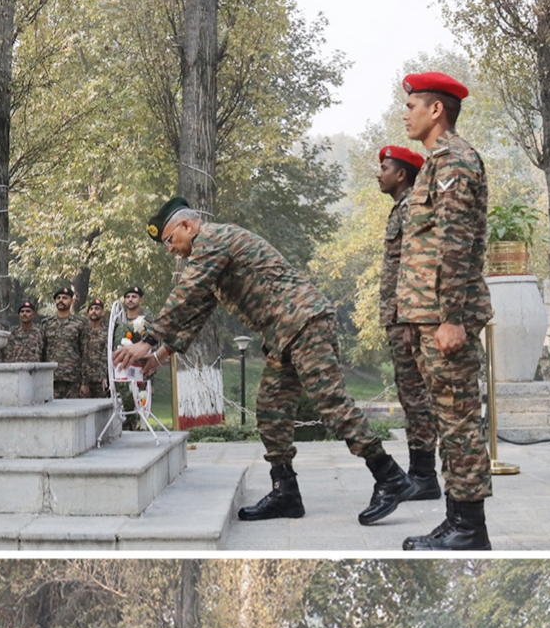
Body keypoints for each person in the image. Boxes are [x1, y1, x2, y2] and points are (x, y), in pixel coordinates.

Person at [115, 197, 420, 526]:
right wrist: (159, 357)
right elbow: (195, 312)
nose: (171, 250)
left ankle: (389, 477)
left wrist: (147, 341)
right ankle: (285, 491)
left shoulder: (213, 240)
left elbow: (186, 294)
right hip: (283, 333)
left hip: (304, 321)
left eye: (169, 240)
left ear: (187, 226)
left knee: (331, 403)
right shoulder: (208, 256)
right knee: (271, 410)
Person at [396, 71, 494, 550]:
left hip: (445, 317)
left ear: (437, 109)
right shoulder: (436, 162)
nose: (405, 113)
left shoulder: (455, 160)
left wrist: (452, 316)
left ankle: (469, 528)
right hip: (428, 317)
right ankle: (456, 519)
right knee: (448, 421)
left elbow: (455, 244)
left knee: (459, 423)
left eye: (413, 105)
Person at [377, 144, 441, 499]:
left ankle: (424, 476)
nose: (379, 173)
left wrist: (407, 320)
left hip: (408, 318)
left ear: (401, 174)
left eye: (385, 167)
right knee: (410, 394)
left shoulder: (414, 208)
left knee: (416, 396)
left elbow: (415, 267)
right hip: (399, 317)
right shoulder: (400, 209)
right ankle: (421, 473)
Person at [111, 285, 154, 429]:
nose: (130, 300)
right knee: (124, 411)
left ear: (140, 300)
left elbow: (153, 350)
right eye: (128, 297)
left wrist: (151, 380)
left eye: (134, 297)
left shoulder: (147, 322)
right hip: (122, 373)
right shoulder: (117, 324)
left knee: (141, 410)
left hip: (141, 372)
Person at [41, 284, 88, 398]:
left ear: (71, 301)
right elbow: (41, 351)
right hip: (51, 378)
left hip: (73, 379)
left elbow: (86, 353)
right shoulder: (46, 324)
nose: (61, 300)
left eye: (65, 298)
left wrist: (85, 382)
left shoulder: (80, 324)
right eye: (58, 298)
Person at [1, 299, 45, 365]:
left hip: (34, 371)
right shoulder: (12, 332)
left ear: (34, 314)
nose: (24, 314)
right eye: (22, 311)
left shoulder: (40, 332)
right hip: (15, 370)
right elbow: (6, 353)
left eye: (28, 311)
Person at [83, 298, 111, 398]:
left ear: (103, 313)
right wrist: (83, 382)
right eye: (91, 309)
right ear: (88, 313)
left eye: (97, 309)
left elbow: (107, 356)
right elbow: (81, 355)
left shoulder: (108, 332)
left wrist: (105, 377)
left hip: (102, 380)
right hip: (85, 380)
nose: (94, 311)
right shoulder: (83, 331)